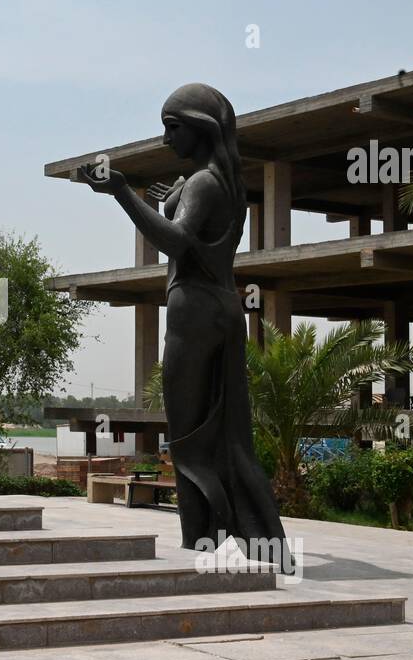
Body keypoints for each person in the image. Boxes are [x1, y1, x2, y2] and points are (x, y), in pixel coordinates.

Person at [79, 83, 289, 566]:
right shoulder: (227, 184)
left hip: (193, 311)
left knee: (190, 436)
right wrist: (169, 202)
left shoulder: (203, 183)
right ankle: (238, 539)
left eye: (173, 129)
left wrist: (122, 194)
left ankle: (202, 540)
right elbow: (195, 234)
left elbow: (175, 243)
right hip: (222, 308)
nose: (166, 139)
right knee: (225, 431)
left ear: (200, 128)